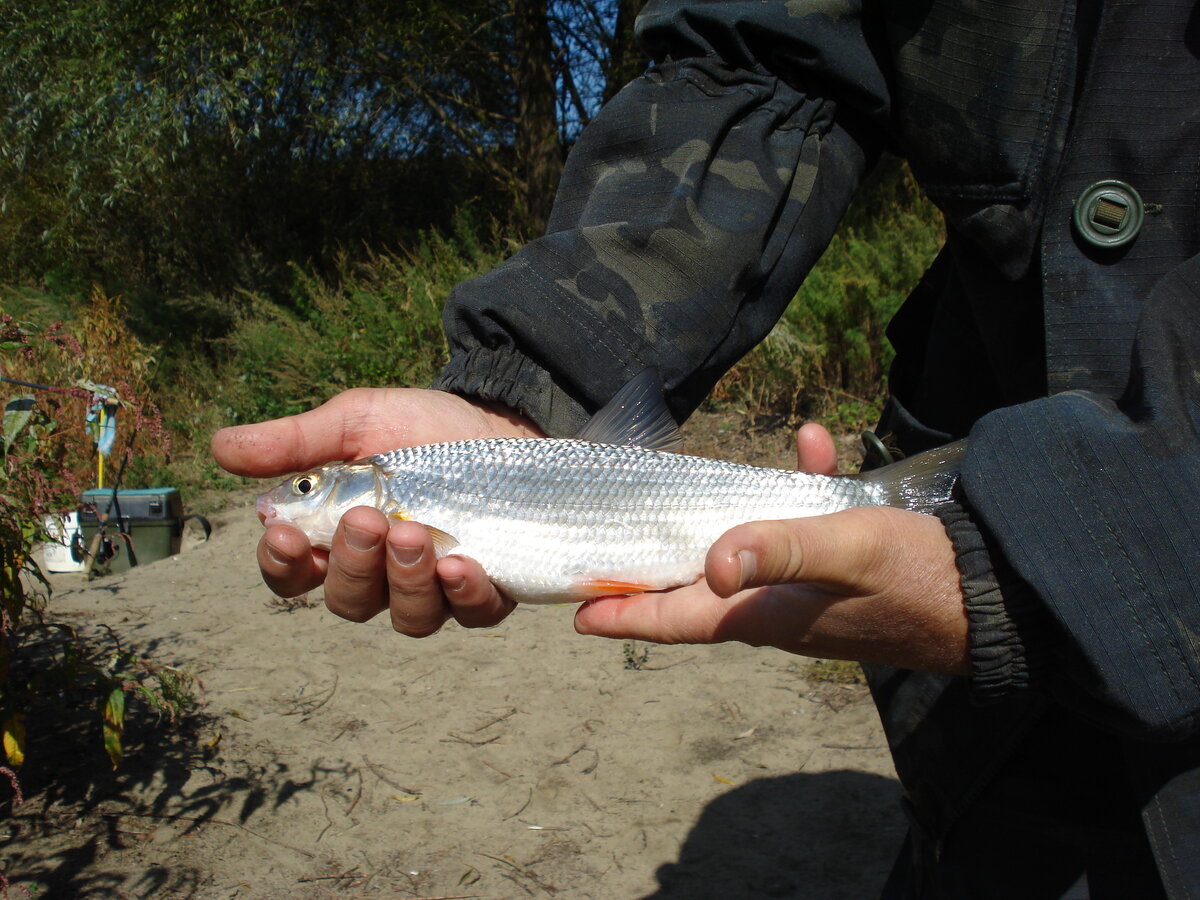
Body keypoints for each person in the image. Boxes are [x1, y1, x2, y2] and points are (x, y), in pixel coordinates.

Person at [212, 0, 1200, 895]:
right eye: (307, 489)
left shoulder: (407, 491)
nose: (289, 503)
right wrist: (527, 383)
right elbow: (759, 60)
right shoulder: (410, 492)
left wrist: (1011, 572)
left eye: (307, 486)